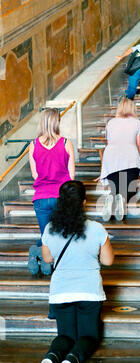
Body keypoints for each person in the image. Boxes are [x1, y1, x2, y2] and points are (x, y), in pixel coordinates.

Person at [40, 180, 114, 363]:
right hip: (89, 291)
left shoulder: (50, 228)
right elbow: (108, 261)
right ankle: (72, 361)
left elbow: (47, 258)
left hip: (60, 292)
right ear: (84, 201)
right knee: (89, 336)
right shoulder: (96, 228)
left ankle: (51, 357)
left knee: (65, 335)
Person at [28, 108, 75, 276]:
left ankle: (38, 255)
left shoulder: (33, 145)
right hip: (61, 197)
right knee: (62, 233)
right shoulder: (65, 143)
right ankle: (50, 262)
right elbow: (71, 176)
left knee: (46, 234)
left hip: (40, 198)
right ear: (57, 122)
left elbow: (35, 175)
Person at [97, 97, 140, 222]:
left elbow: (108, 144)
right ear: (132, 108)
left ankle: (111, 197)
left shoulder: (110, 122)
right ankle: (121, 198)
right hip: (130, 157)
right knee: (131, 188)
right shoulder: (136, 122)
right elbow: (138, 146)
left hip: (110, 158)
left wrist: (103, 169)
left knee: (115, 186)